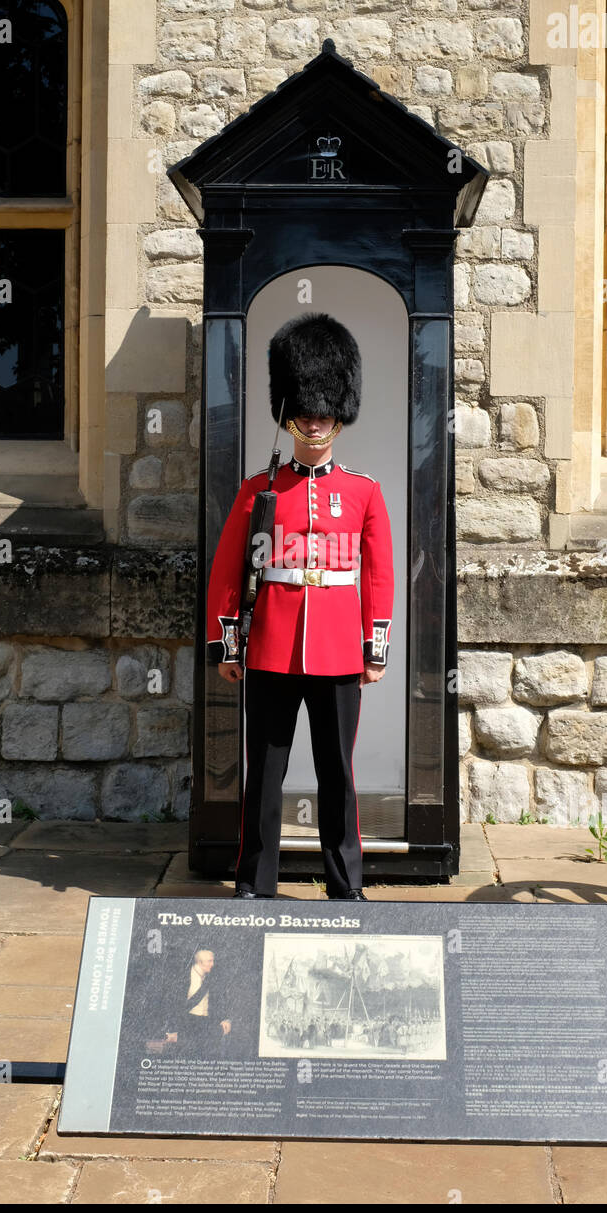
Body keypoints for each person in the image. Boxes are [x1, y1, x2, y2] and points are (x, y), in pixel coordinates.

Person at [206, 312, 394, 902]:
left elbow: (380, 576)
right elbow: (230, 572)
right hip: (269, 648)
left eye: (324, 411)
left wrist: (375, 645)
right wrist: (229, 644)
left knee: (337, 773)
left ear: (340, 412)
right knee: (264, 774)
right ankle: (253, 882)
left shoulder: (363, 491)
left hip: (339, 651)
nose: (315, 422)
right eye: (305, 411)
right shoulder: (258, 489)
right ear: (288, 412)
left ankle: (346, 887)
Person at [147, 946, 232, 1058]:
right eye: (210, 961)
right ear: (200, 962)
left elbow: (219, 1001)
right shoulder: (182, 976)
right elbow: (172, 1004)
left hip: (205, 1023)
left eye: (213, 961)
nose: (213, 964)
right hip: (185, 1023)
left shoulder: (212, 978)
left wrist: (225, 1019)